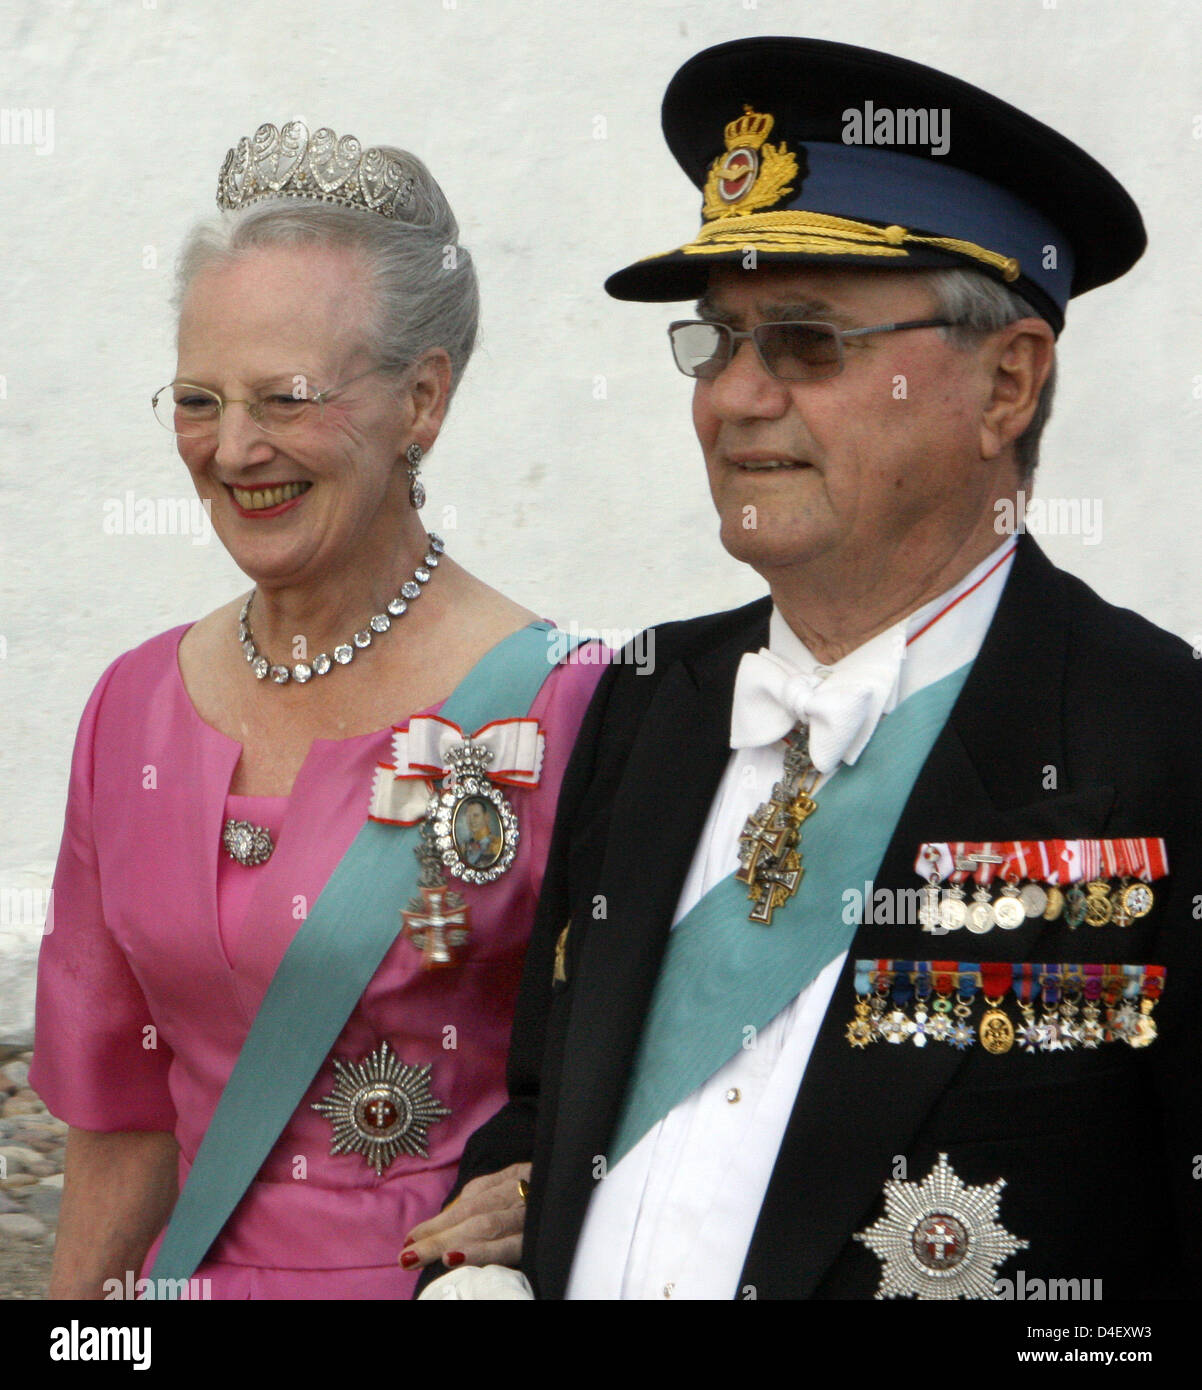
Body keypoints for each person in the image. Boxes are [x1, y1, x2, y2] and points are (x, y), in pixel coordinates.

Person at [416, 38, 1202, 1300]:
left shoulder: (1155, 741)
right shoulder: (649, 694)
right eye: (717, 341)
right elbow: (553, 1109)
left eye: (803, 342)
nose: (732, 398)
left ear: (1005, 383)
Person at [29, 120, 603, 1299]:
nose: (235, 449)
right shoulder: (132, 709)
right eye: (199, 399)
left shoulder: (566, 703)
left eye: (286, 398)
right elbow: (120, 1120)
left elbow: (636, 1087)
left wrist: (548, 1182)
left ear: (422, 403)